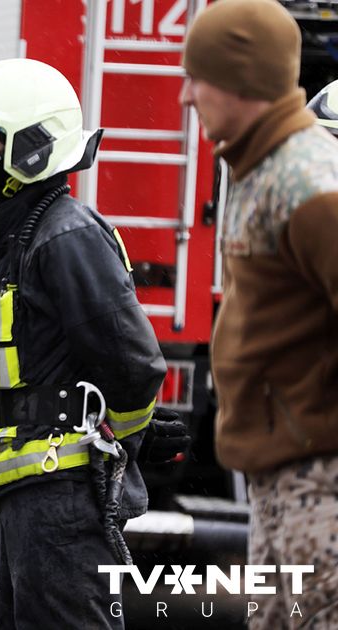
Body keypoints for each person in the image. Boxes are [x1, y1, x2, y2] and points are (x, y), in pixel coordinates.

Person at [0, 58, 166, 629]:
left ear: (31, 147)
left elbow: (133, 365)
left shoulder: (66, 235)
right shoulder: (17, 237)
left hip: (62, 492)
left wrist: (121, 443)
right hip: (22, 490)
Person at [181, 1, 338, 626]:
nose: (186, 96)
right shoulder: (262, 166)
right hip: (283, 480)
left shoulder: (309, 183)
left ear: (240, 81)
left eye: (198, 79)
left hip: (319, 483)